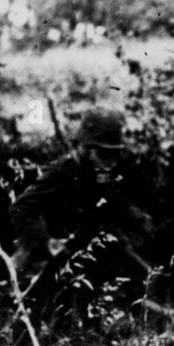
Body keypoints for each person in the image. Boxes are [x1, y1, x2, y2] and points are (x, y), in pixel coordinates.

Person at [10, 107, 152, 324]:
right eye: (104, 154)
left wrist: (138, 218)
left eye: (113, 154)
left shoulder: (98, 172)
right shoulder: (62, 171)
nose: (110, 162)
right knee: (32, 309)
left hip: (79, 248)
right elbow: (21, 207)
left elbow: (112, 201)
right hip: (44, 252)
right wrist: (46, 241)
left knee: (143, 274)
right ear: (86, 148)